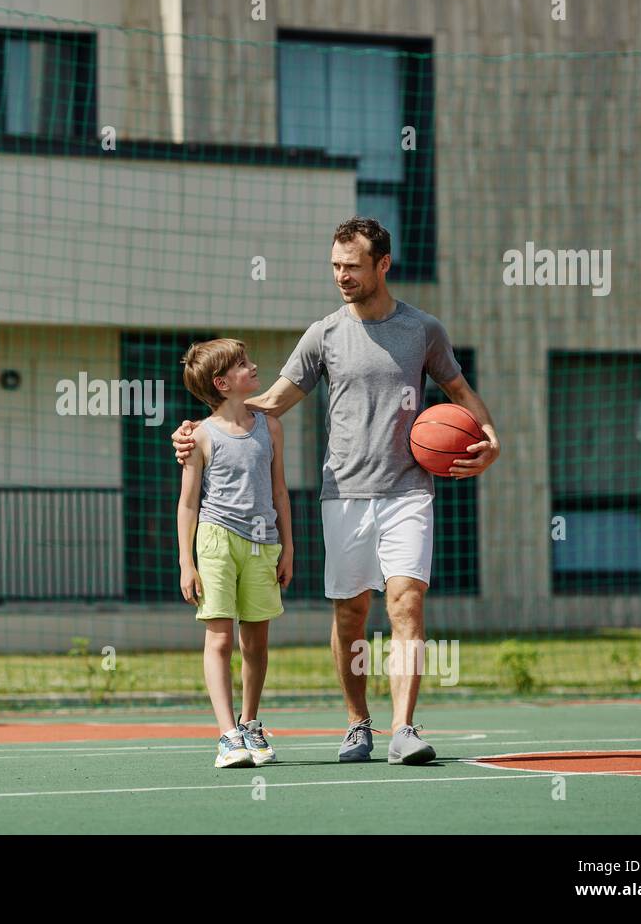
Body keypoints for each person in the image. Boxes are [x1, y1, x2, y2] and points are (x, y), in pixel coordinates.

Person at [172, 217, 501, 765]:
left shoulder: (424, 330)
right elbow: (271, 400)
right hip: (344, 491)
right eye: (335, 266)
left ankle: (404, 729)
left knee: (406, 603)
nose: (342, 275)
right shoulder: (323, 333)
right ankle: (357, 723)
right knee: (351, 614)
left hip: (408, 491)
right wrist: (200, 425)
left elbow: (459, 390)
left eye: (352, 266)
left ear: (383, 266)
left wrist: (489, 439)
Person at [177, 338, 293, 768]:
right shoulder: (201, 436)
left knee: (256, 642)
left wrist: (288, 549)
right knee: (220, 638)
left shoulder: (271, 426)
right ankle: (227, 735)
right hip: (216, 541)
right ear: (223, 383)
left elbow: (280, 491)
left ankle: (250, 723)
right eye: (245, 364)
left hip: (264, 544)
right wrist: (187, 562)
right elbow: (188, 503)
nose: (254, 366)